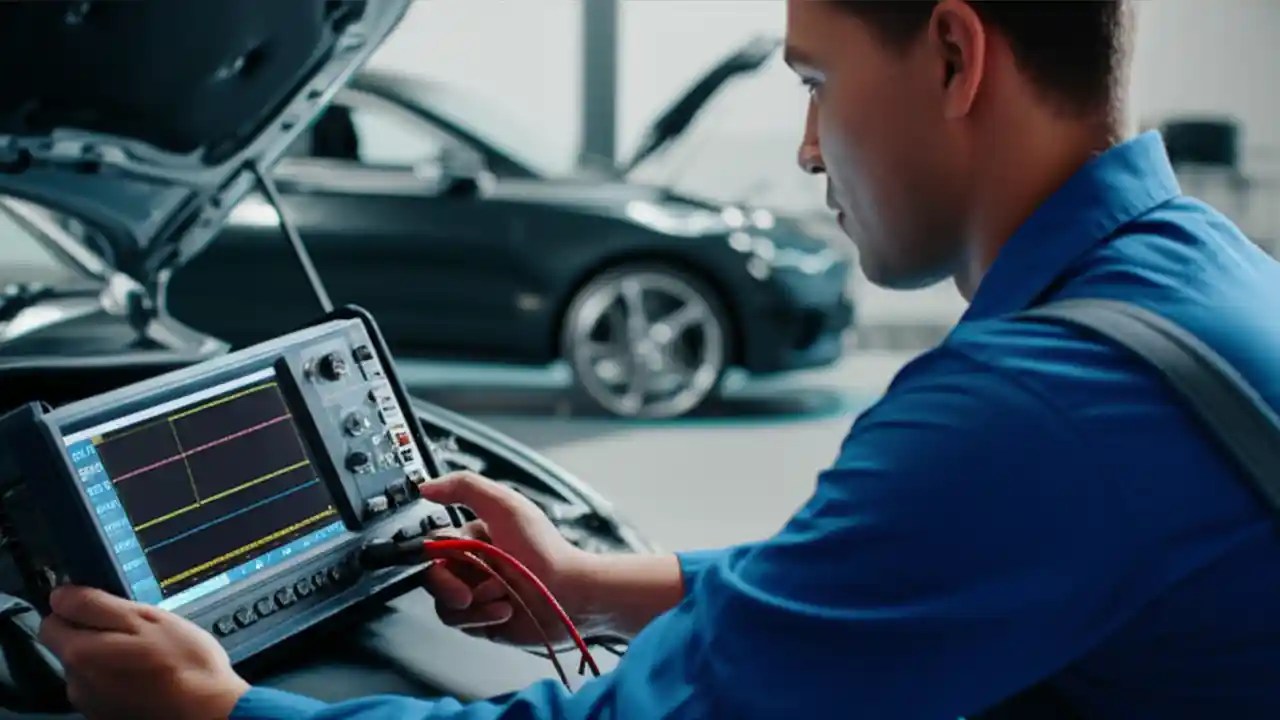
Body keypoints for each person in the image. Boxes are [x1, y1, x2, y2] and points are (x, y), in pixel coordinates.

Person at [36, 0, 1280, 717]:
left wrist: (223, 713)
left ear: (953, 57)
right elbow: (869, 576)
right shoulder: (1189, 269)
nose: (804, 149)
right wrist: (582, 582)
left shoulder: (1034, 411)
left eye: (815, 81)